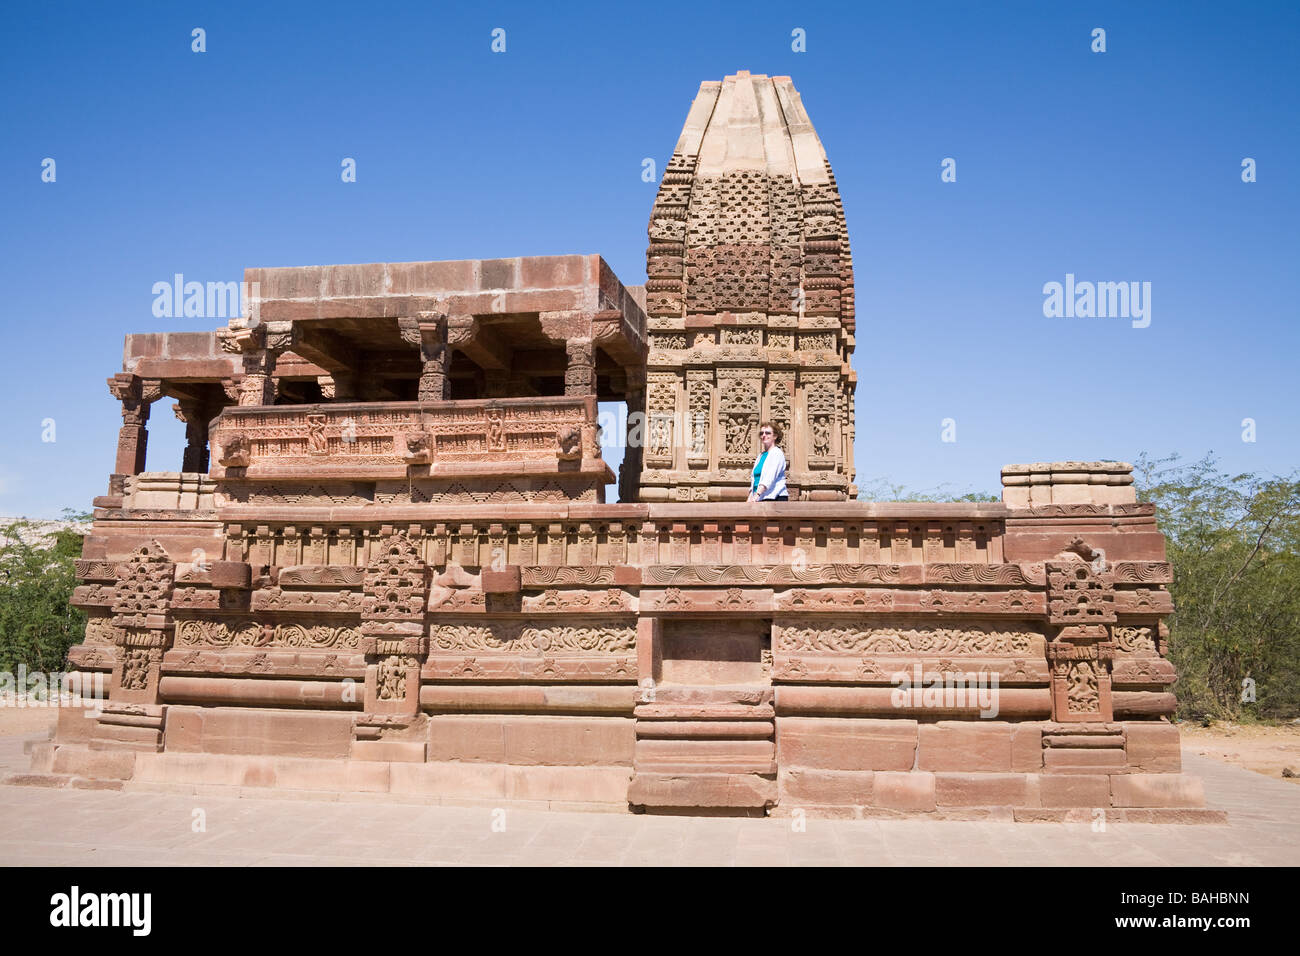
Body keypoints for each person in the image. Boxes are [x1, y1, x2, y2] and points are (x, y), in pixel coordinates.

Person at [748, 421, 788, 502]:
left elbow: (770, 477)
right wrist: (750, 496)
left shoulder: (777, 453)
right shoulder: (761, 456)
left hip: (774, 497)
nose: (764, 435)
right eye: (762, 433)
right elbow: (754, 479)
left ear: (775, 436)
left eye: (768, 433)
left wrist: (757, 495)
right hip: (760, 497)